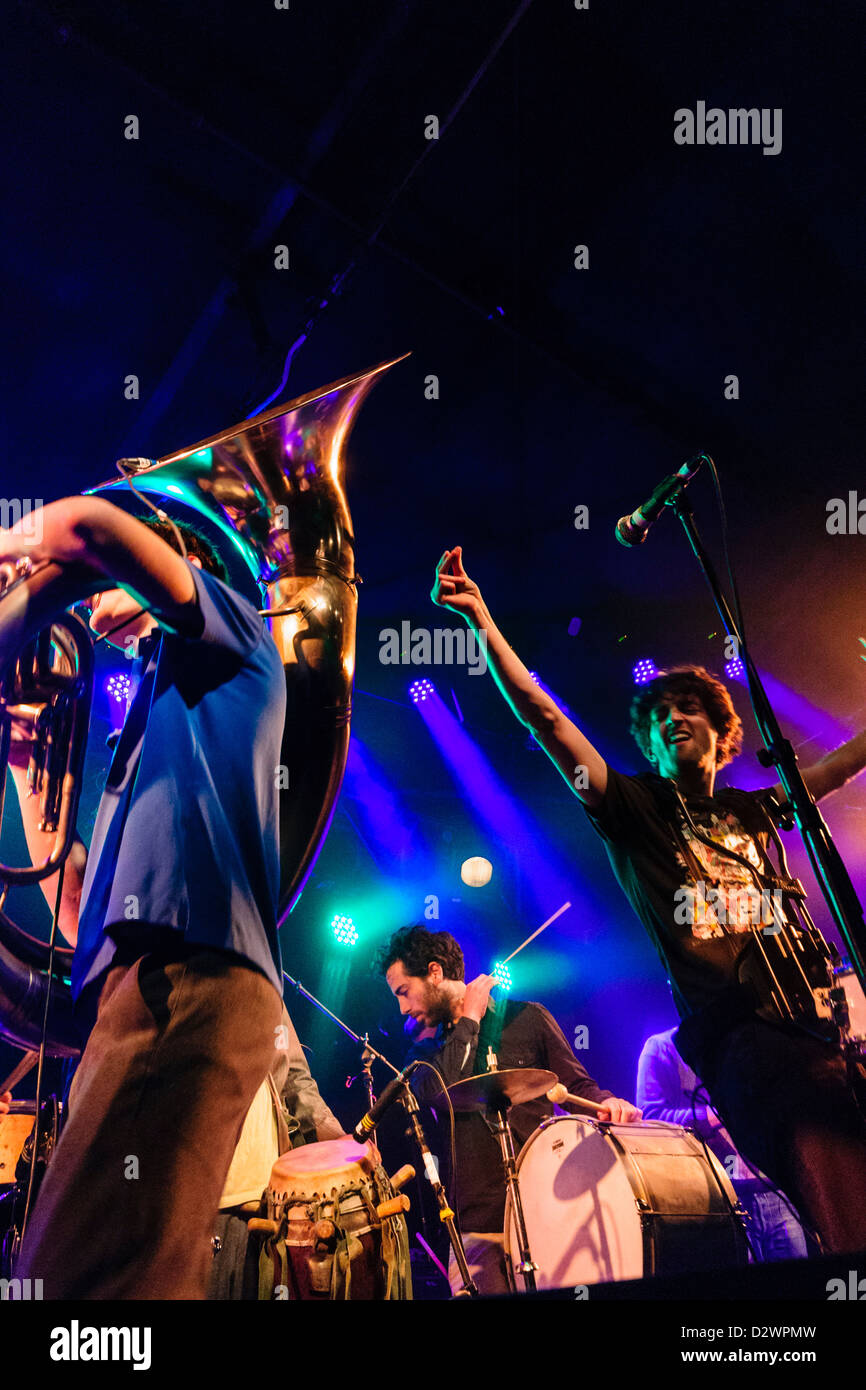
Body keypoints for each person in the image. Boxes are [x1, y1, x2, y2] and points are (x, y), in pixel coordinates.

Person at [429, 545, 866, 1253]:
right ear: (649, 744)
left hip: (811, 1028)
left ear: (726, 736)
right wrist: (483, 623)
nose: (674, 720)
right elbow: (545, 719)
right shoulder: (635, 809)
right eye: (659, 716)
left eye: (690, 708)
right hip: (743, 1043)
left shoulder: (755, 812)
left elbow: (836, 770)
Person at [1, 496, 287, 1298]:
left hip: (186, 980)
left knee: (85, 1284)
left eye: (107, 582)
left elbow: (91, 528)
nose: (90, 599)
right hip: (143, 988)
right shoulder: (157, 726)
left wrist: (16, 554)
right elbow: (73, 908)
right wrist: (29, 768)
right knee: (106, 1277)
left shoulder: (239, 635)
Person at [378, 924, 641, 1296]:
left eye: (404, 992)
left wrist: (607, 1102)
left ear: (435, 973)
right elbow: (447, 1089)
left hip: (546, 1213)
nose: (403, 1007)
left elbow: (577, 1087)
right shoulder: (423, 1052)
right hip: (475, 1230)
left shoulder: (528, 1018)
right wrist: (469, 1019)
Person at [208, 1004, 346, 1300]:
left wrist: (338, 1140)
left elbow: (295, 1077)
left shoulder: (268, 984)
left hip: (268, 1201)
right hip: (206, 1200)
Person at [636, 1027, 809, 1262]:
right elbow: (650, 1118)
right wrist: (713, 1116)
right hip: (720, 1200)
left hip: (776, 1192)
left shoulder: (747, 1042)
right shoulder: (661, 1048)